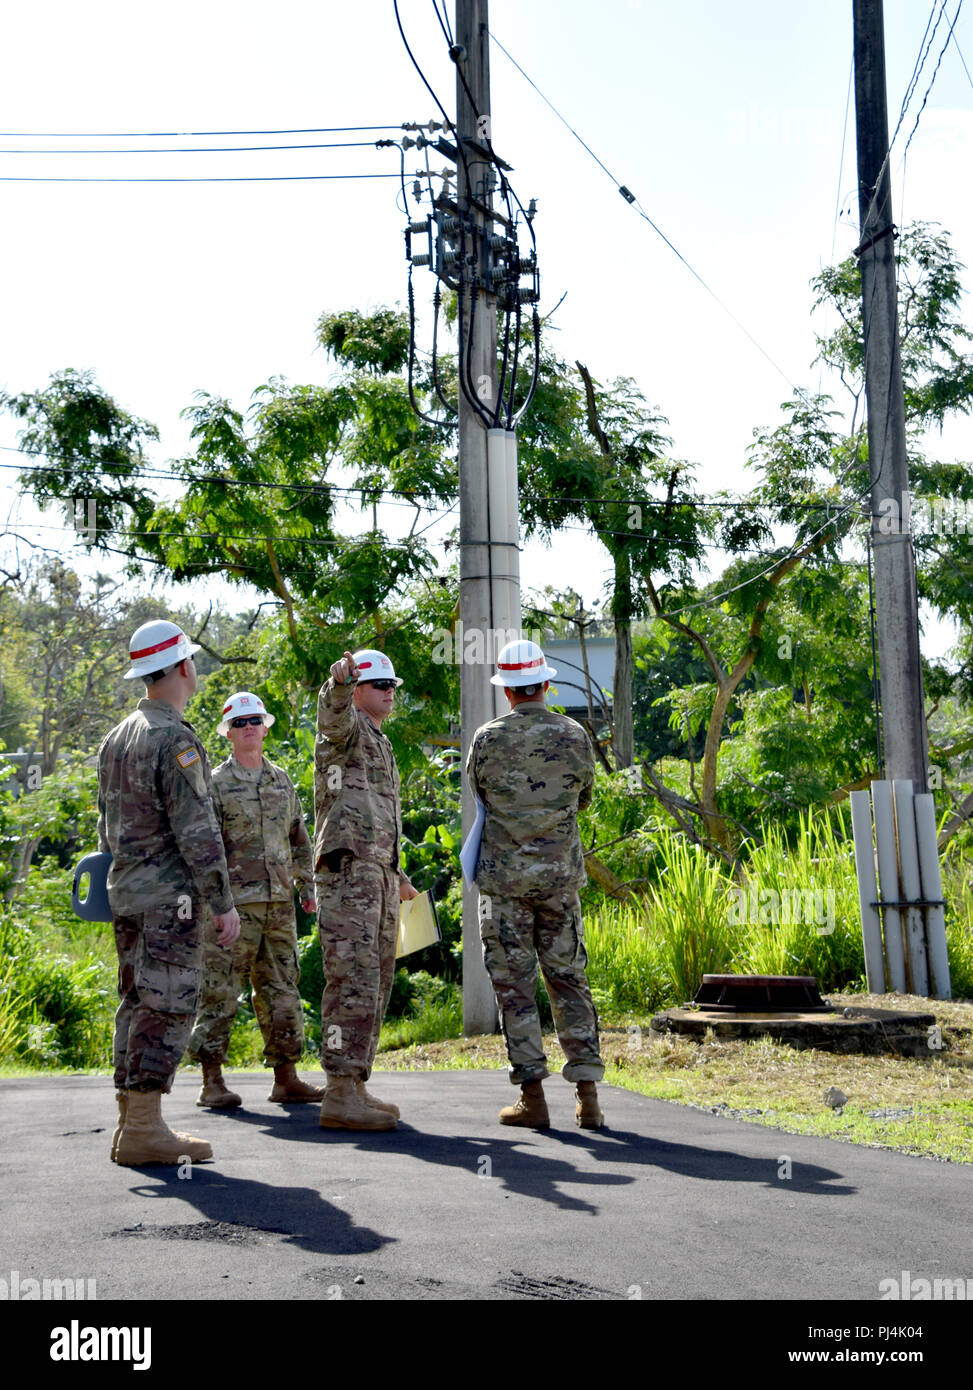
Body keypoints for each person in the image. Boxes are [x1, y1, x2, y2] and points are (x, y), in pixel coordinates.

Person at [97, 619, 240, 1166]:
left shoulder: (118, 736)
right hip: (168, 901)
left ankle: (131, 1122)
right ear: (184, 667)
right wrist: (222, 904)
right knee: (168, 1004)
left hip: (128, 893)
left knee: (136, 1001)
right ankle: (144, 1127)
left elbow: (108, 825)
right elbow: (198, 831)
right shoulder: (174, 738)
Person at [466, 639, 606, 1129]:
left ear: (507, 692)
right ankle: (588, 1099)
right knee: (569, 978)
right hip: (559, 881)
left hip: (504, 886)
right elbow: (584, 798)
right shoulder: (574, 735)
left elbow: (480, 795)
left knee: (516, 988)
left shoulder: (486, 738)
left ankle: (533, 1097)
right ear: (545, 684)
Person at [188, 692, 323, 1109]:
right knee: (220, 990)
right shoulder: (215, 784)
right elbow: (205, 847)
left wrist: (307, 887)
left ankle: (286, 1077)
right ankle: (212, 1080)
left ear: (266, 727)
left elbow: (299, 838)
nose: (248, 728)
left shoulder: (281, 780)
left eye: (254, 721)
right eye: (240, 722)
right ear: (228, 732)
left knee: (282, 990)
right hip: (232, 908)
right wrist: (212, 903)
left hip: (279, 904)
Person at [314, 648, 418, 1131]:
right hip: (348, 872)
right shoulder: (348, 728)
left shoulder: (380, 740)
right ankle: (337, 1090)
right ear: (358, 691)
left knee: (375, 980)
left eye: (392, 685)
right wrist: (336, 685)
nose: (389, 692)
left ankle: (354, 1082)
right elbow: (331, 719)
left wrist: (396, 874)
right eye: (380, 685)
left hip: (376, 873)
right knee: (350, 979)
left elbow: (375, 815)